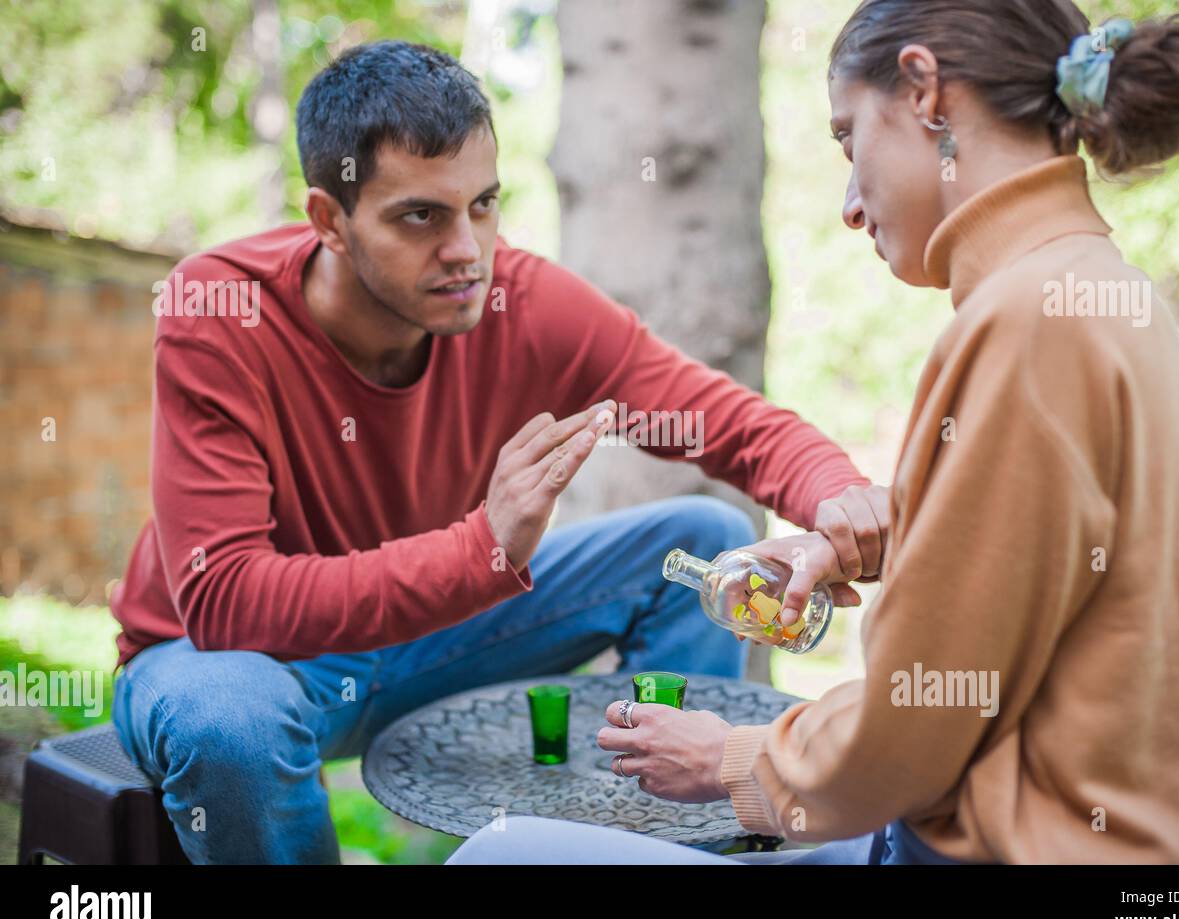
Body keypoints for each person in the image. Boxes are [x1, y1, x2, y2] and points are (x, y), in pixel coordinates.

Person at [449, 0, 1179, 865]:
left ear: (926, 91)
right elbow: (1060, 573)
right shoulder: (1096, 291)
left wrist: (730, 757)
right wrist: (895, 534)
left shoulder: (1024, 321)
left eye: (850, 143)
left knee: (500, 854)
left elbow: (914, 728)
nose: (850, 206)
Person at [108, 40, 890, 864]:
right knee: (227, 719)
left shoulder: (519, 297)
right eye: (422, 215)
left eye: (483, 204)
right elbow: (225, 600)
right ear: (328, 220)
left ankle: (662, 846)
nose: (468, 250)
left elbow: (727, 423)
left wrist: (836, 495)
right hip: (229, 659)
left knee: (695, 534)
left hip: (421, 636)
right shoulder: (219, 307)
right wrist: (481, 549)